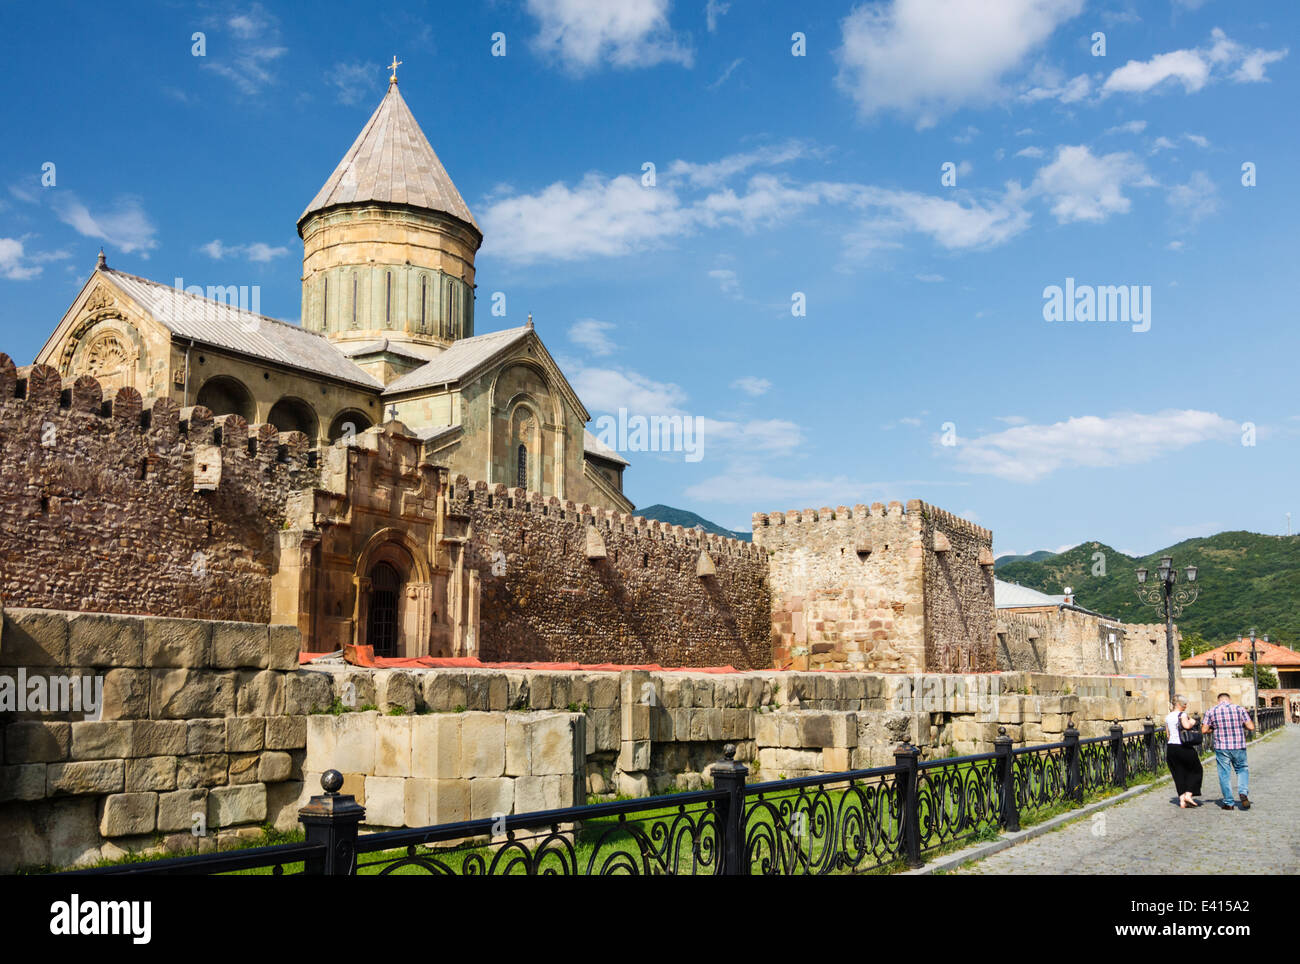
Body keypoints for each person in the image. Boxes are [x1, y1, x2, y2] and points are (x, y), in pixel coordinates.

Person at [1201, 692, 1254, 810]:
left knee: (1224, 774)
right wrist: (1241, 726)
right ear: (1229, 699)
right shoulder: (1240, 709)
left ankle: (1229, 803)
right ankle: (1243, 792)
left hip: (1222, 747)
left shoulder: (1211, 711)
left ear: (1218, 700)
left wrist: (1213, 729)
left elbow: (1204, 730)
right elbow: (1251, 727)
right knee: (1242, 769)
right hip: (1238, 745)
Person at [1164, 695, 1202, 808]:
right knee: (1196, 769)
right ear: (1180, 705)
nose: (1186, 706)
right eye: (1185, 704)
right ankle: (1189, 794)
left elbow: (1168, 734)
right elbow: (1186, 725)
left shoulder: (1168, 716)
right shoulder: (1182, 715)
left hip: (1171, 747)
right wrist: (1193, 722)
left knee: (1178, 773)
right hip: (1183, 746)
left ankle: (1181, 800)